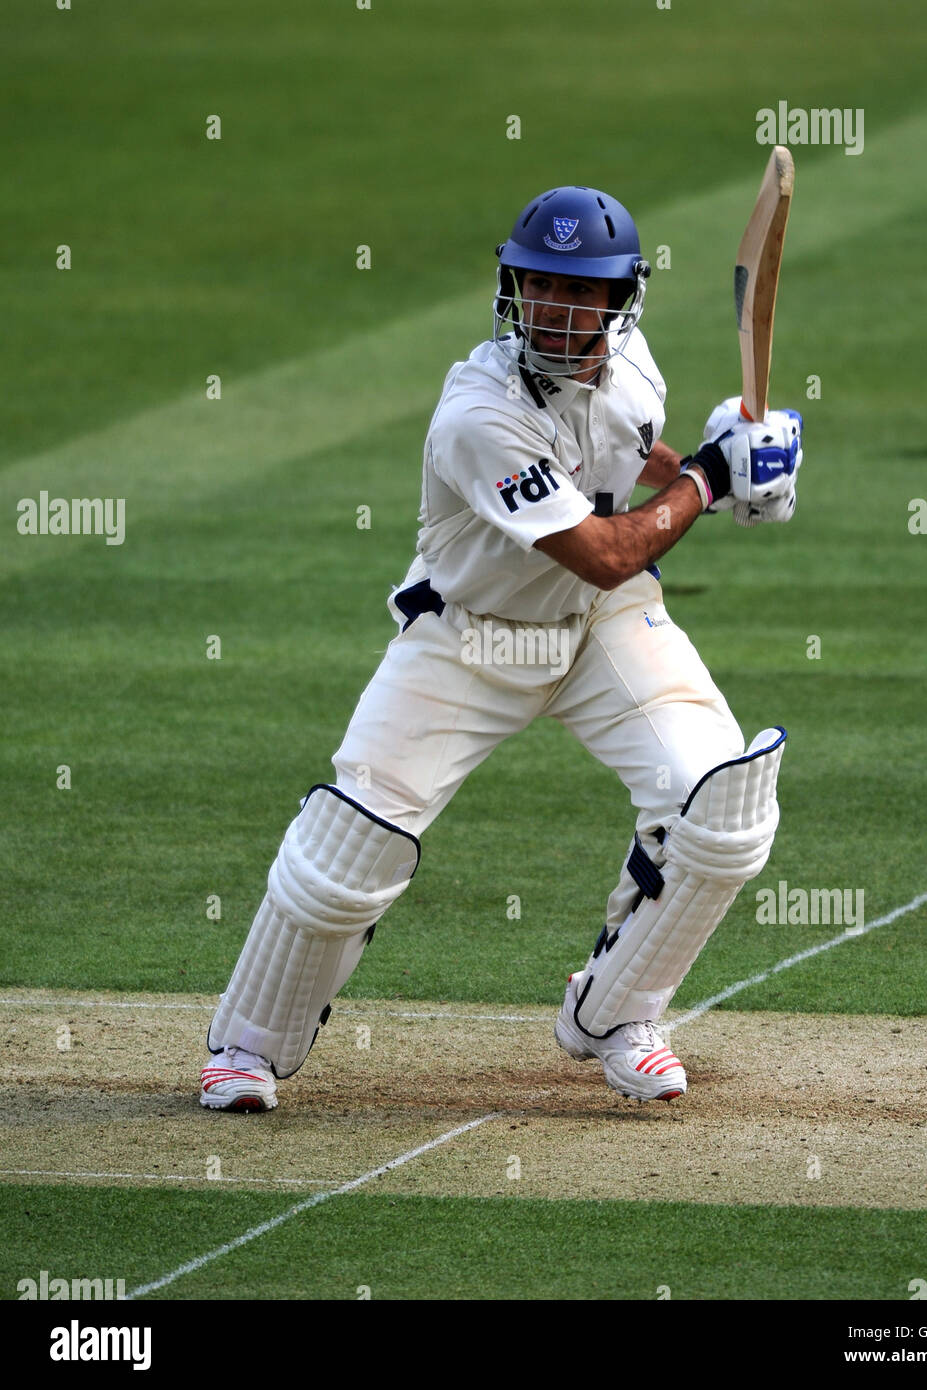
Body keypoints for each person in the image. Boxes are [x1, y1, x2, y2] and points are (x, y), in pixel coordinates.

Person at [199, 185, 802, 1113]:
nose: (555, 309)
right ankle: (244, 1048)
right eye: (537, 285)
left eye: (578, 291)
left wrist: (728, 454)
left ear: (618, 301)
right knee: (344, 857)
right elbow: (605, 553)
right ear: (512, 286)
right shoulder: (476, 414)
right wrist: (710, 481)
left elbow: (626, 450)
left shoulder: (633, 365)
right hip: (470, 636)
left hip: (600, 628)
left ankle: (618, 1016)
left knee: (723, 809)